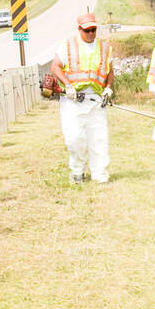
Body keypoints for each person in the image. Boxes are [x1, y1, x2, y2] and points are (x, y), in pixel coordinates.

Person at [50, 13, 114, 183]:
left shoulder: (105, 48)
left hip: (96, 100)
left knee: (99, 138)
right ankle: (77, 171)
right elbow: (55, 67)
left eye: (93, 30)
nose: (91, 34)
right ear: (80, 29)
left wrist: (108, 89)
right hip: (73, 100)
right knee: (75, 138)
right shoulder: (68, 46)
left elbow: (110, 71)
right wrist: (67, 85)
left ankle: (100, 173)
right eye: (87, 31)